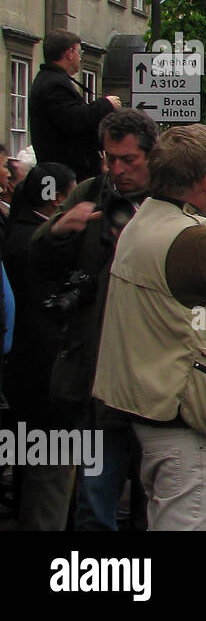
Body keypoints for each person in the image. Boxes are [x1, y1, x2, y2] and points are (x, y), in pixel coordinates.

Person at [92, 124, 206, 530]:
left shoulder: (145, 221)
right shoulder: (191, 239)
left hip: (153, 407)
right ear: (203, 181)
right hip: (189, 423)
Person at [29, 109, 158, 530]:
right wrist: (60, 229)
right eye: (110, 158)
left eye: (128, 160)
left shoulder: (173, 200)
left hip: (156, 375)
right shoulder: (89, 193)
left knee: (152, 503)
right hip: (96, 370)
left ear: (151, 156)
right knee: (94, 501)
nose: (117, 170)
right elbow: (37, 260)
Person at [3, 162, 78, 529]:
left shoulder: (18, 233)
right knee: (48, 477)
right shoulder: (35, 243)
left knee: (31, 468)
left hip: (25, 372)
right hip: (43, 373)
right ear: (58, 197)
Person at [29, 30, 123, 181]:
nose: (80, 57)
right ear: (69, 53)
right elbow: (74, 120)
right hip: (65, 174)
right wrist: (105, 104)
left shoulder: (52, 80)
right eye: (79, 52)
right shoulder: (53, 84)